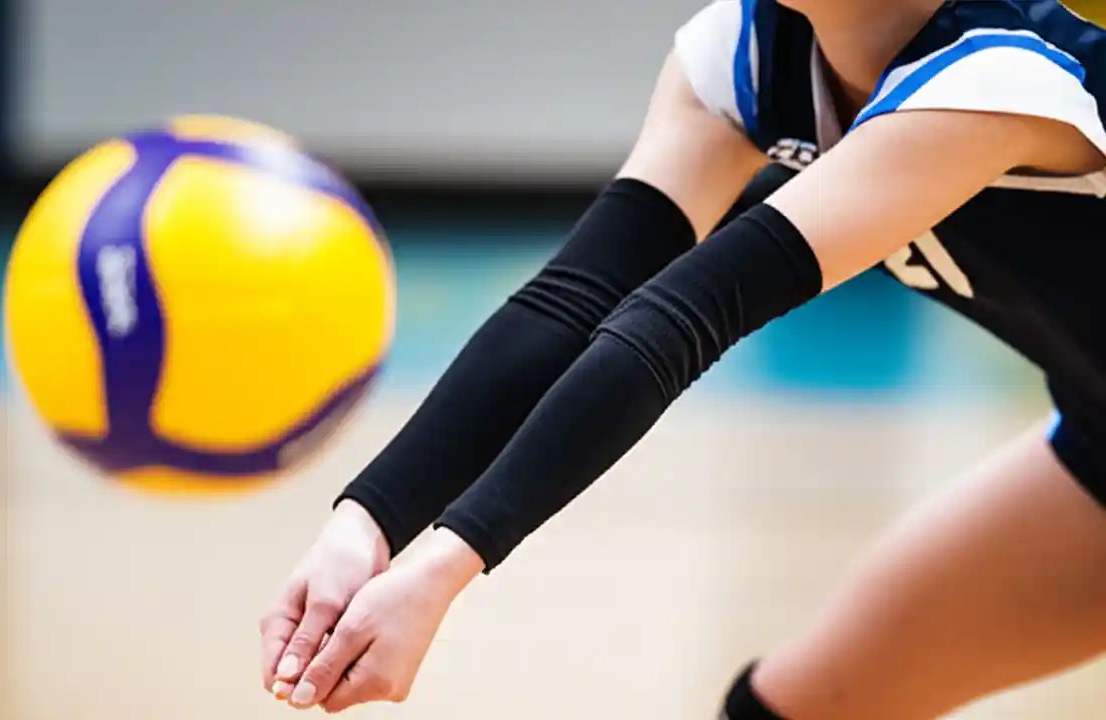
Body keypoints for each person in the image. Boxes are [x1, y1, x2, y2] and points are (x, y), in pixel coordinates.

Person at [260, 0, 1106, 716]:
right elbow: (574, 298)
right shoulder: (745, 57)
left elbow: (682, 317)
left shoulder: (997, 78)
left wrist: (443, 568)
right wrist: (364, 526)